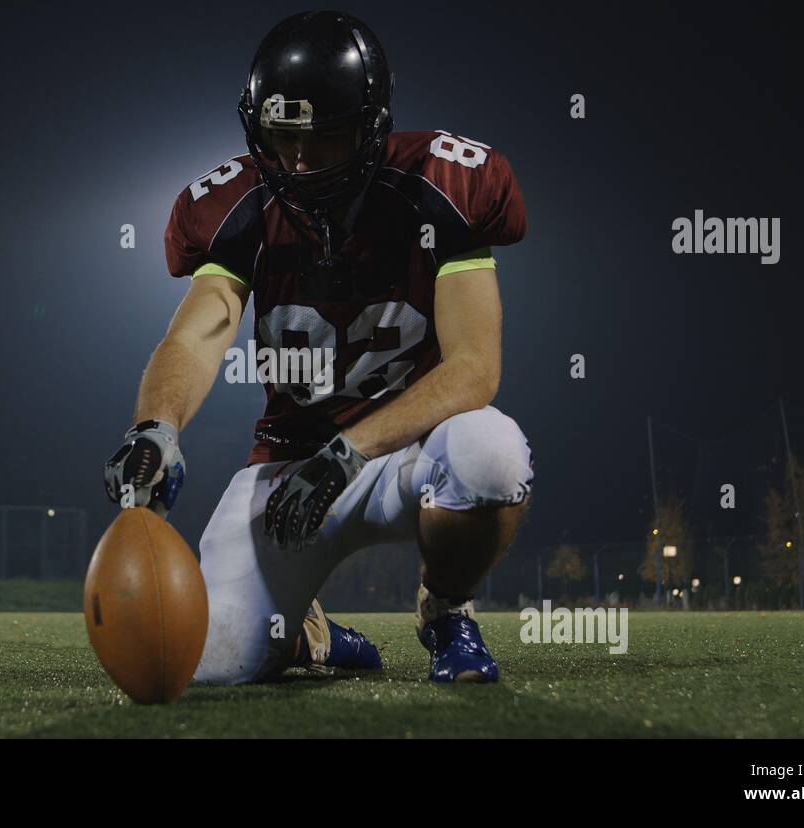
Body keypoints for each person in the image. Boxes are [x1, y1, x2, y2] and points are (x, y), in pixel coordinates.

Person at [104, 10, 533, 684]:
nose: (298, 160)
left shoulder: (441, 186)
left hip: (408, 455)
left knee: (491, 452)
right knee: (213, 662)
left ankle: (447, 610)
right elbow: (198, 331)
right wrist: (156, 424)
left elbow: (474, 370)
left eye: (324, 138)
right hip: (291, 471)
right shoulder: (238, 205)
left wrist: (349, 451)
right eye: (281, 137)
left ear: (369, 127)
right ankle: (308, 638)